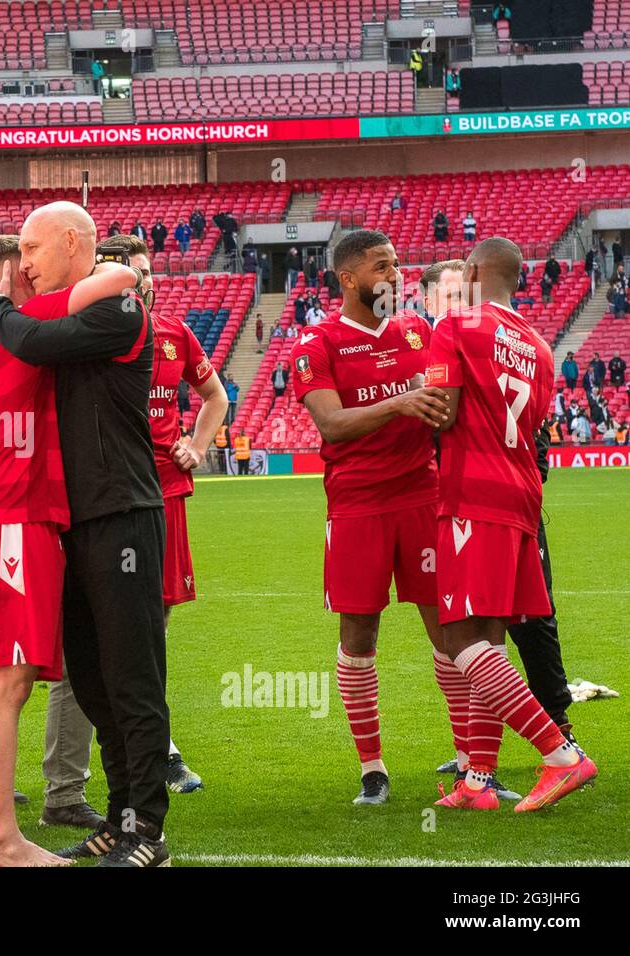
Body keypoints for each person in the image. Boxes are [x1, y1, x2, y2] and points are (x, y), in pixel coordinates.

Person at [0, 202, 173, 867]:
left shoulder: (117, 309)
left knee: (132, 681)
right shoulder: (79, 303)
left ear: (72, 242)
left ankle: (148, 832)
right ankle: (121, 820)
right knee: (92, 685)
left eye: (32, 249)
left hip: (122, 513)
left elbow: (33, 344)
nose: (25, 263)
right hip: (71, 524)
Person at [0, 242, 138, 864]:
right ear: (4, 280)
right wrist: (19, 292)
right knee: (4, 686)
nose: (33, 270)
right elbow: (122, 276)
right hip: (16, 527)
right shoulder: (26, 324)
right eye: (23, 263)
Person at [291, 229, 462, 807]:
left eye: (396, 265)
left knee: (449, 628)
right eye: (382, 266)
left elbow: (445, 403)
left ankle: (470, 765)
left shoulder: (418, 330)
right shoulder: (315, 344)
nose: (394, 275)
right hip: (357, 504)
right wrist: (401, 402)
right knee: (359, 632)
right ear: (348, 278)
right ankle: (373, 769)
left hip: (424, 496)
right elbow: (333, 425)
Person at [427, 236, 596, 811]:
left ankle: (561, 754)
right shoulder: (540, 346)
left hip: (472, 494)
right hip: (523, 496)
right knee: (490, 634)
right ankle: (478, 781)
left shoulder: (454, 326)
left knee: (458, 640)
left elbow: (442, 412)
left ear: (472, 271)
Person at [98, 232, 228, 793]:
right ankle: (136, 749)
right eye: (133, 272)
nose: (145, 280)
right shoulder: (96, 337)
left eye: (148, 270)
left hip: (167, 488)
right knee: (115, 622)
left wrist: (196, 447)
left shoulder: (175, 335)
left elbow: (216, 397)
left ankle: (158, 746)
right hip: (111, 491)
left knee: (156, 620)